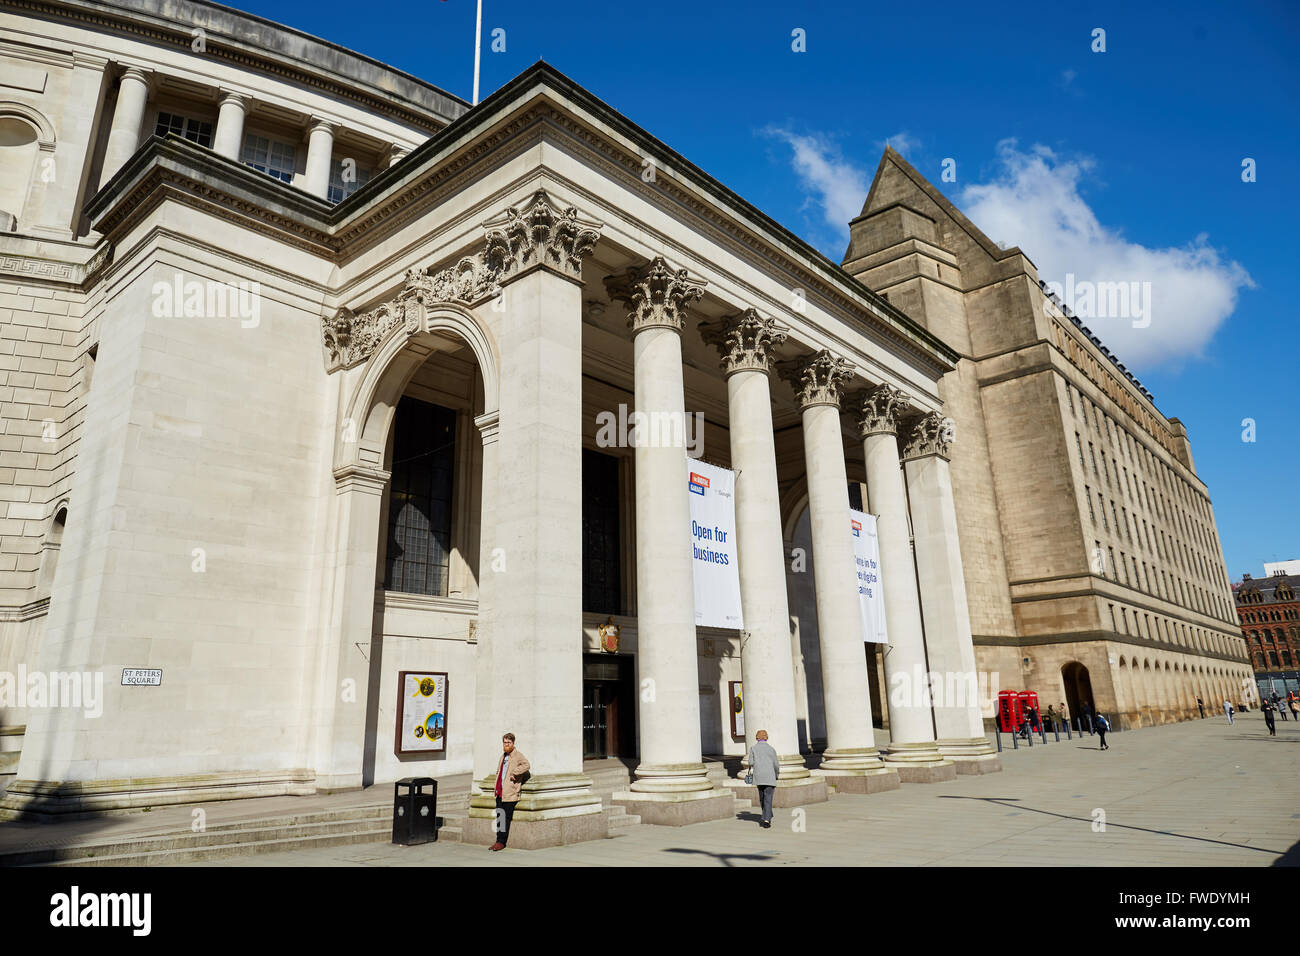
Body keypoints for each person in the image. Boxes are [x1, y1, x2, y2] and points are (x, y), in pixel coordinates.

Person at [490, 732, 530, 851]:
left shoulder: (517, 755)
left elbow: (527, 765)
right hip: (500, 793)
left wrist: (515, 773)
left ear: (513, 743)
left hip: (510, 793)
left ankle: (501, 842)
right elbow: (499, 773)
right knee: (499, 818)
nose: (506, 744)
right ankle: (498, 841)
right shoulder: (503, 756)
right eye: (505, 742)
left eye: (509, 742)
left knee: (505, 818)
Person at [746, 729, 780, 828]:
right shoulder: (771, 749)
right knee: (768, 798)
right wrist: (777, 774)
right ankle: (767, 818)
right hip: (770, 777)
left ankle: (767, 817)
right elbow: (776, 765)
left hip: (759, 777)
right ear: (766, 737)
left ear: (757, 738)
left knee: (762, 798)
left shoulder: (753, 748)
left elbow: (751, 763)